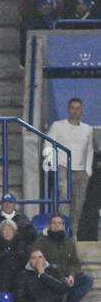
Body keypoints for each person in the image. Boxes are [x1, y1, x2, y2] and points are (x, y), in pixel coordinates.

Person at [43, 97, 95, 227]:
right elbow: (48, 144)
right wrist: (54, 164)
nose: (75, 111)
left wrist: (88, 170)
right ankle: (62, 231)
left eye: (78, 108)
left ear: (82, 110)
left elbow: (90, 150)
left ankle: (73, 235)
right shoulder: (57, 126)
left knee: (78, 204)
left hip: (81, 172)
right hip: (63, 168)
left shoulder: (88, 129)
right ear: (68, 109)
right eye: (72, 108)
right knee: (64, 201)